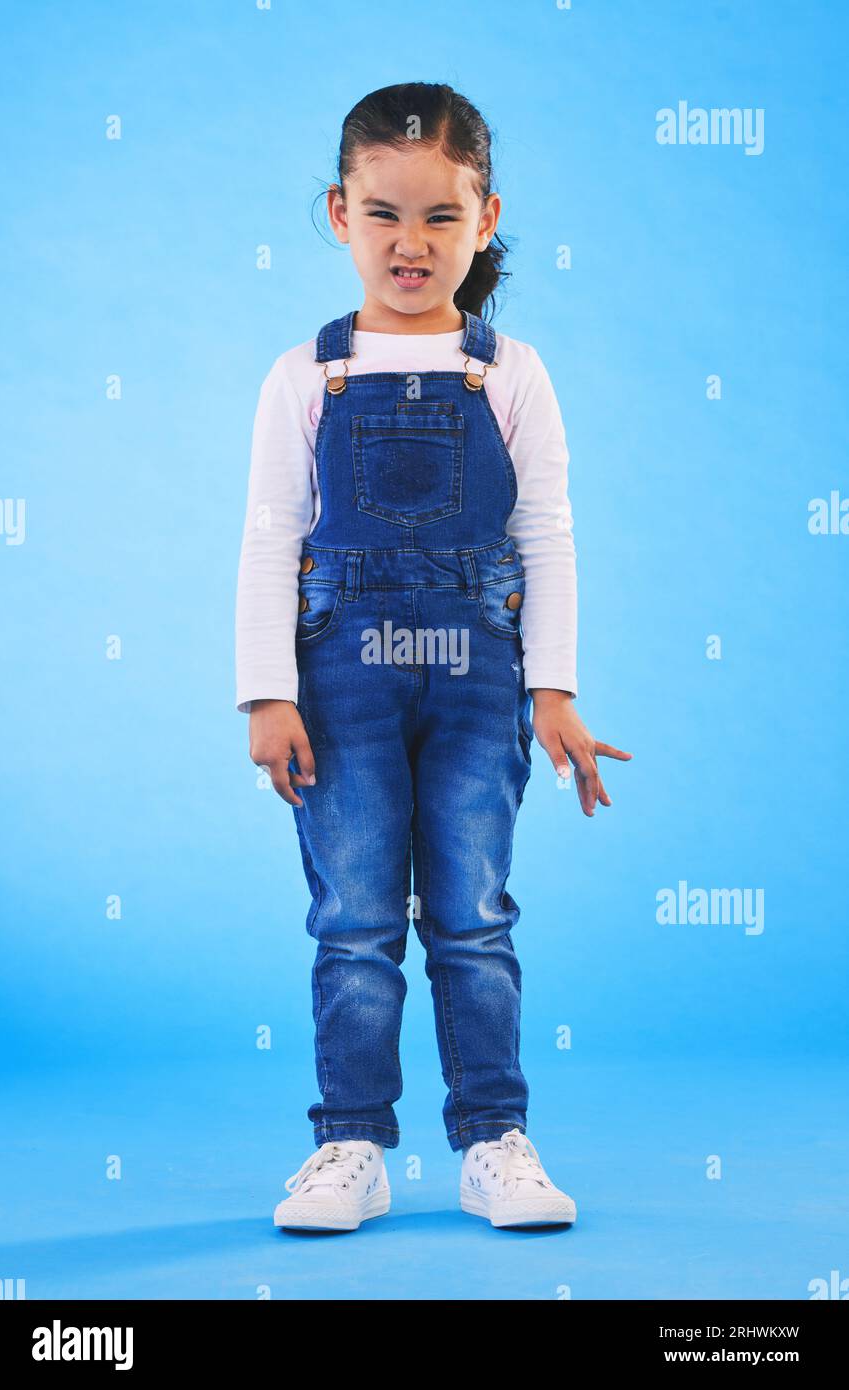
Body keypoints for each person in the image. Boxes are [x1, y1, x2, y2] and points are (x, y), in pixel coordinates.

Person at [235, 81, 632, 1233]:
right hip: (339, 679)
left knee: (473, 913)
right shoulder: (305, 373)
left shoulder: (510, 372)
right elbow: (270, 536)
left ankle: (494, 1137)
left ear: (486, 215)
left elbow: (545, 534)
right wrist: (267, 692)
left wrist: (551, 689)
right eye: (384, 214)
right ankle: (349, 1143)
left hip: (478, 679)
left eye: (441, 217)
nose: (412, 243)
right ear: (338, 213)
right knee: (354, 916)